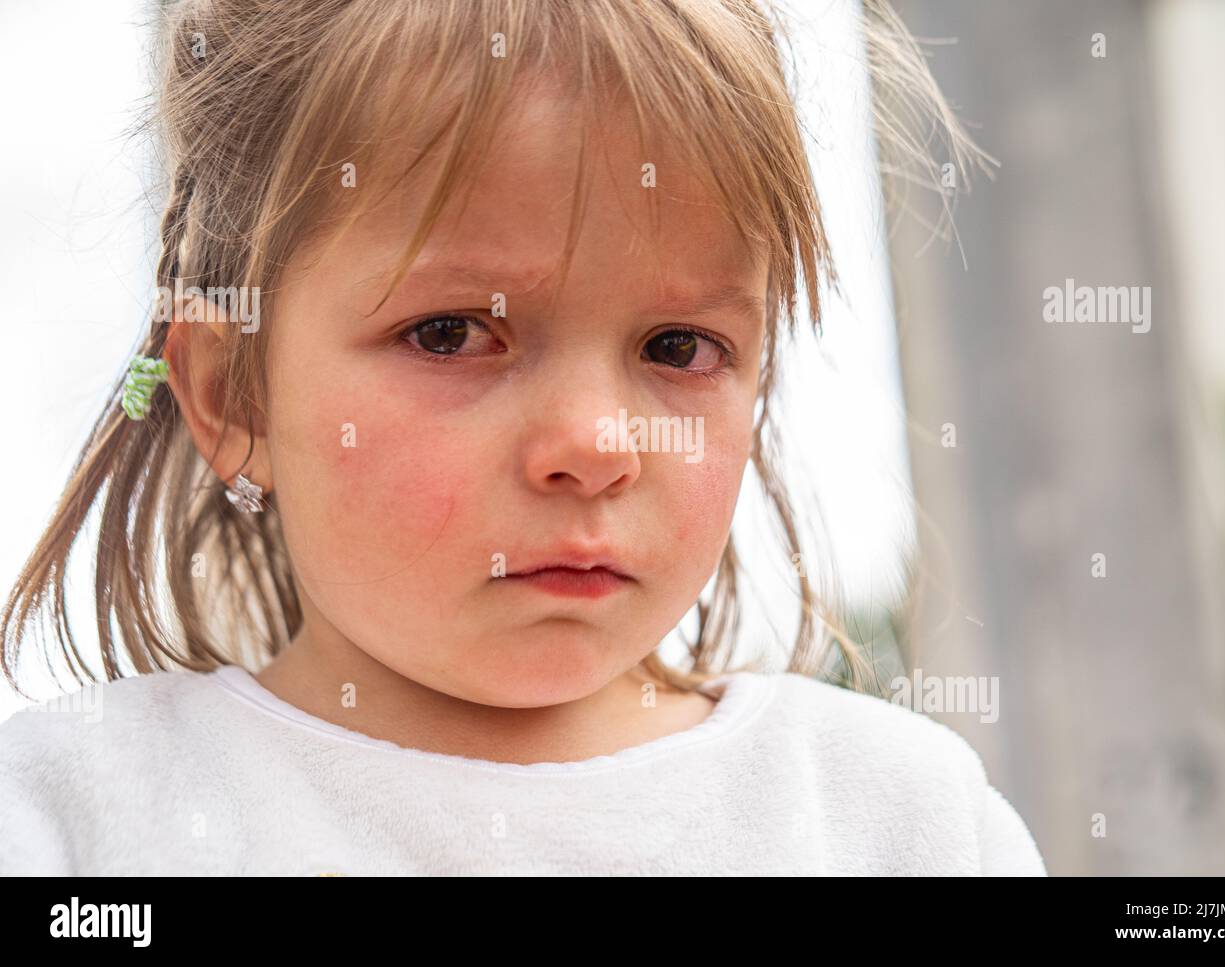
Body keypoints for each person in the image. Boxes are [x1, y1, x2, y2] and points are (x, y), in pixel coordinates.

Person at [0, 0, 1045, 875]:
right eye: (452, 334)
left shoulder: (898, 827)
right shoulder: (77, 824)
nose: (595, 443)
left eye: (677, 346)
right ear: (235, 396)